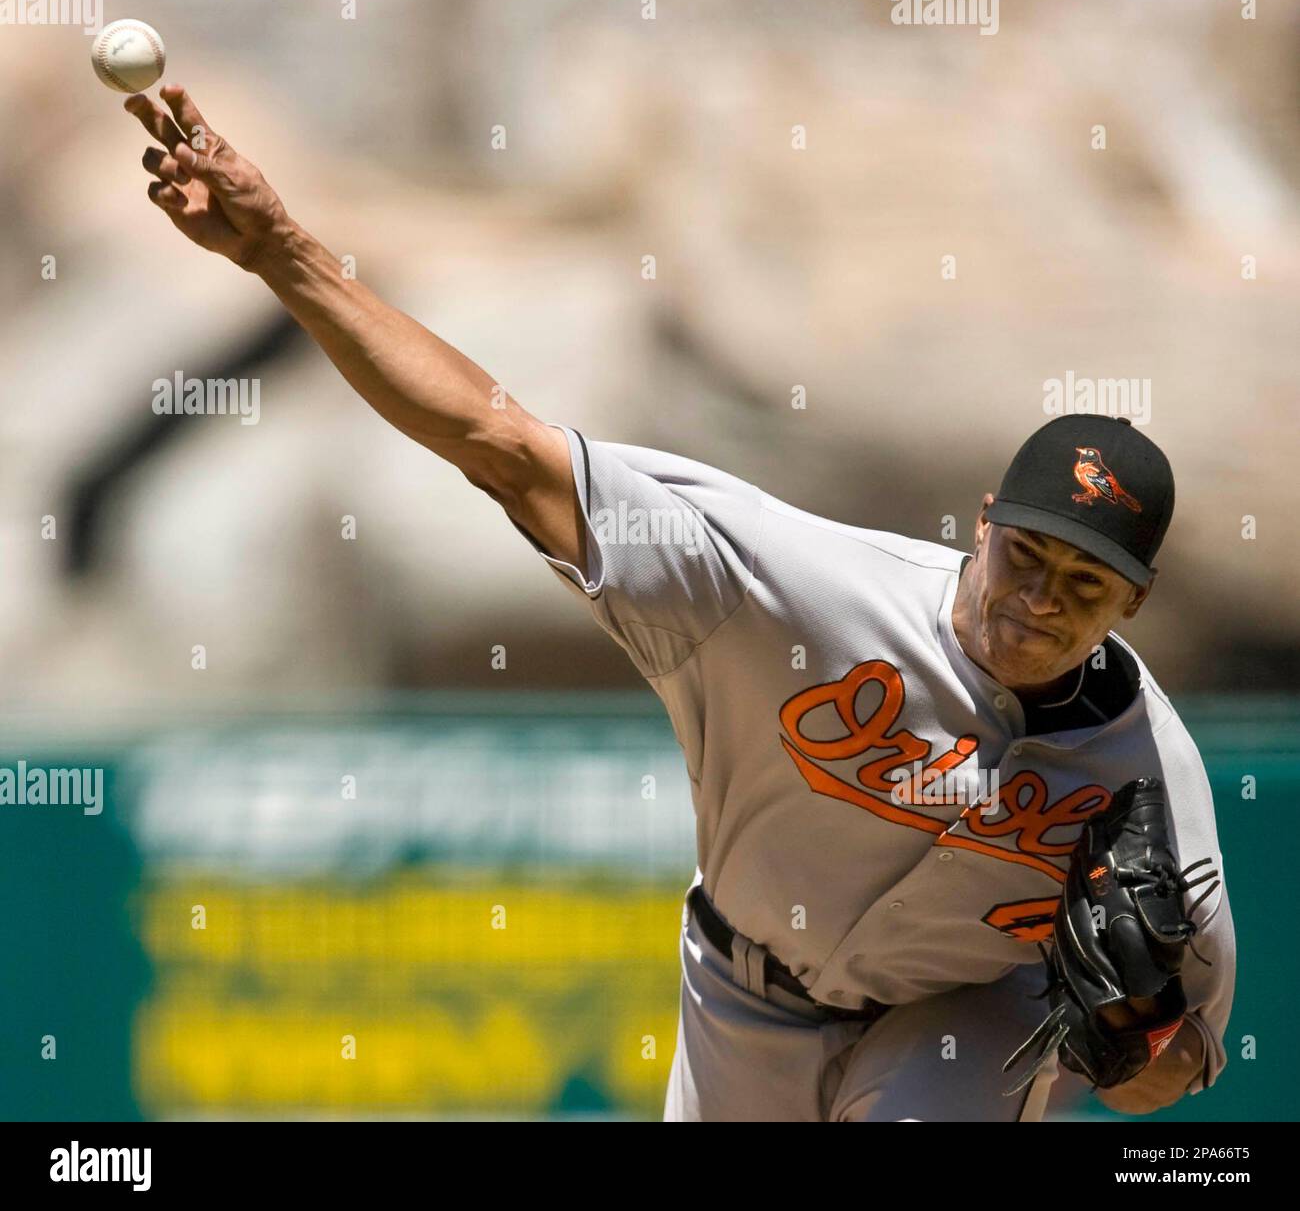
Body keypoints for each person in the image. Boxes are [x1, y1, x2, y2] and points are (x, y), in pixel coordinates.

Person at [126, 87, 1235, 1121]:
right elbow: (501, 445)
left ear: (1132, 601)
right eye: (1027, 556)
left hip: (955, 1018)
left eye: (1084, 582)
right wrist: (283, 252)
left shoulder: (1153, 780)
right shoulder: (791, 590)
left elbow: (1168, 1082)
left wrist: (1136, 1032)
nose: (1039, 600)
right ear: (983, 522)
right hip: (740, 992)